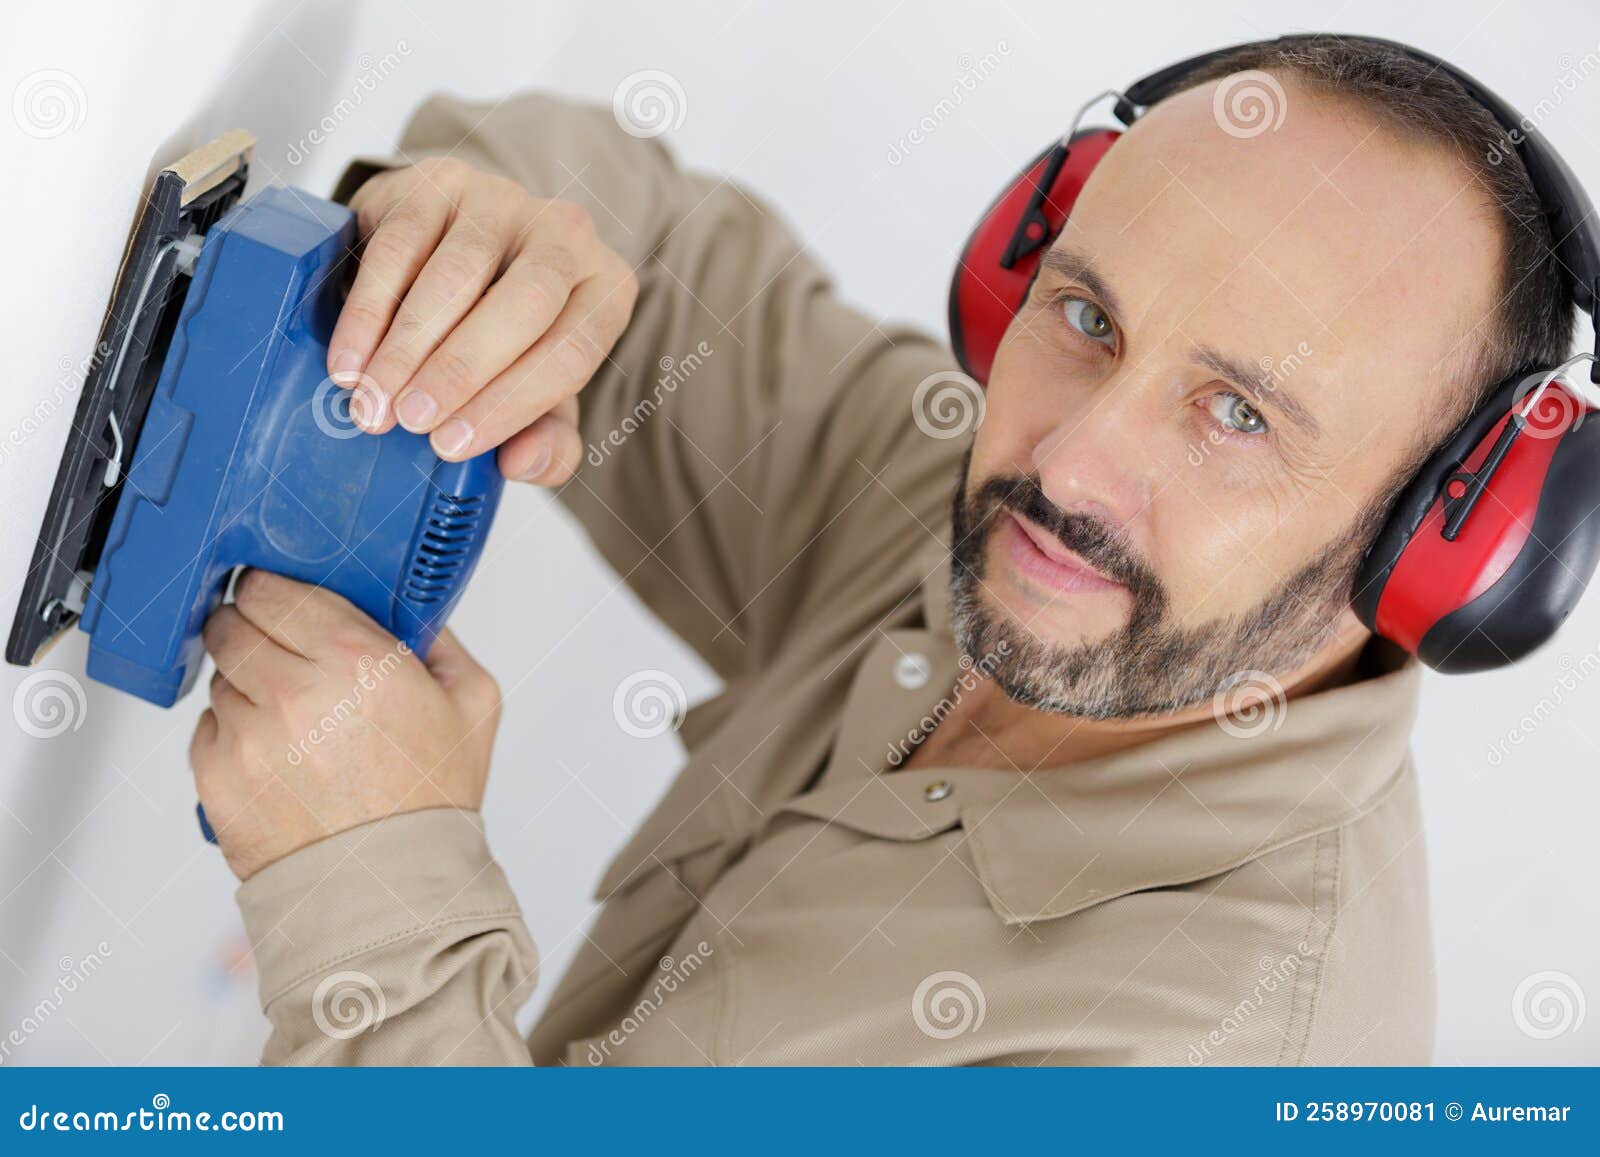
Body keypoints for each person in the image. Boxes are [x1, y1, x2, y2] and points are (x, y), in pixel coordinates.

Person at [190, 35, 1578, 1064]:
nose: (1070, 464)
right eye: (1087, 315)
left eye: (1237, 413)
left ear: (1446, 547)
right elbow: (615, 211)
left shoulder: (1202, 1058)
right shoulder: (961, 515)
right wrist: (483, 256)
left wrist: (373, 897)